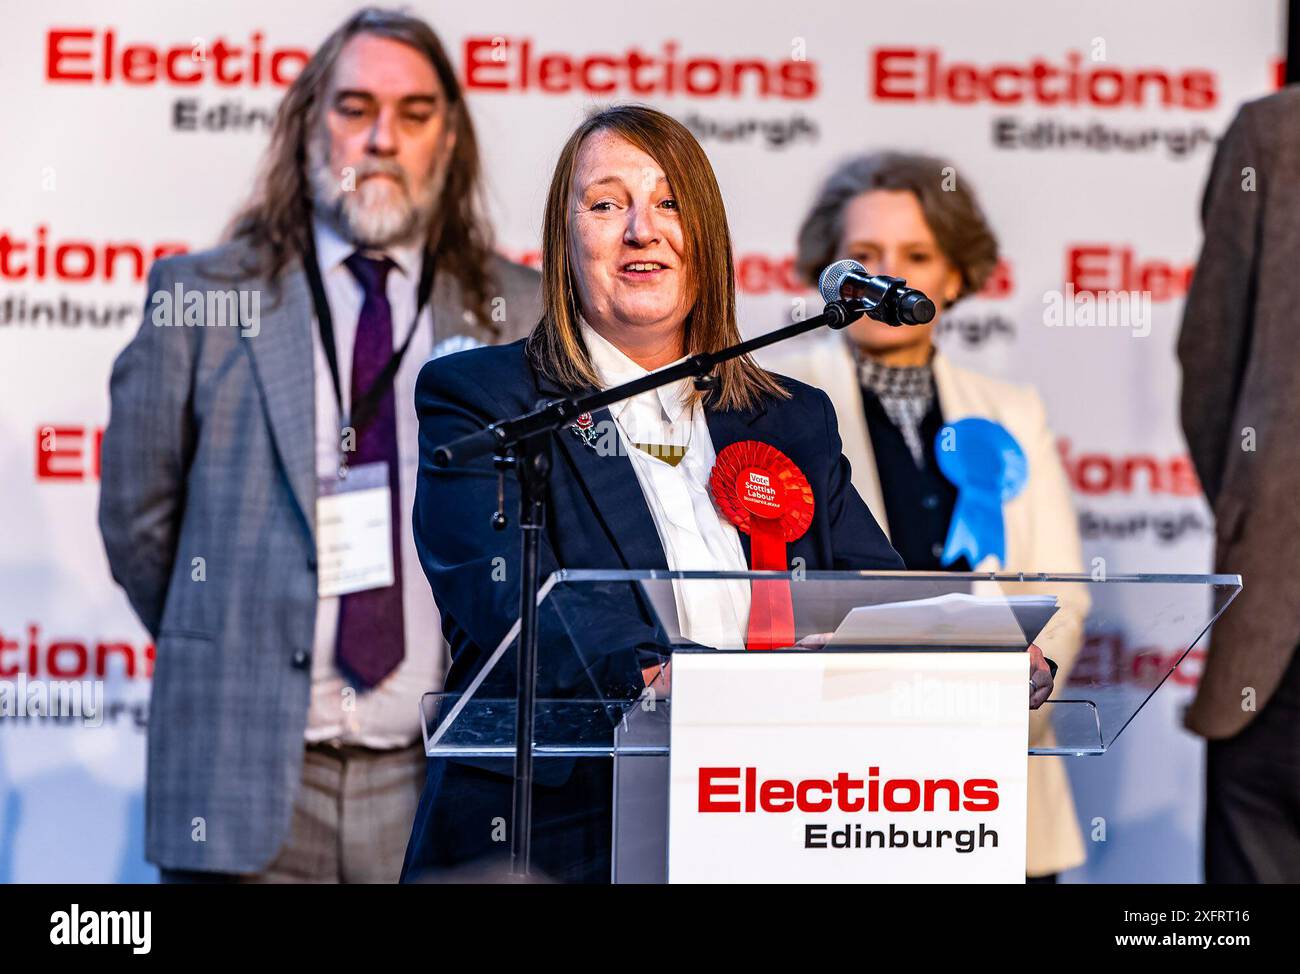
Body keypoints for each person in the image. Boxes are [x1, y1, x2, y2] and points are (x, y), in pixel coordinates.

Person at [399, 107, 1057, 884]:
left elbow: (870, 595)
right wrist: (668, 681)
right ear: (564, 239)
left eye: (671, 203)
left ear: (706, 236)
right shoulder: (487, 399)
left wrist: (968, 655)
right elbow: (506, 598)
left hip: (768, 829)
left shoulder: (788, 416)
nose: (643, 230)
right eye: (607, 204)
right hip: (559, 839)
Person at [98, 8, 541, 883]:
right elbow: (138, 521)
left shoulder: (520, 311)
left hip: (442, 774)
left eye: (415, 113)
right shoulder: (198, 295)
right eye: (354, 107)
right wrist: (229, 643)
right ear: (307, 123)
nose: (382, 137)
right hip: (242, 776)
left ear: (448, 137)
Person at [760, 152, 1088, 882]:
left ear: (953, 275)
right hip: (832, 789)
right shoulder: (777, 401)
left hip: (997, 784)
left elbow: (1064, 592)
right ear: (831, 271)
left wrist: (1009, 704)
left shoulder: (1014, 410)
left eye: (915, 256)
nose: (887, 279)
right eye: (865, 258)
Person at [1178, 89, 1300, 884]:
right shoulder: (1275, 134)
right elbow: (1212, 356)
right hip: (1281, 630)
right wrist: (1260, 506)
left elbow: (1212, 363)